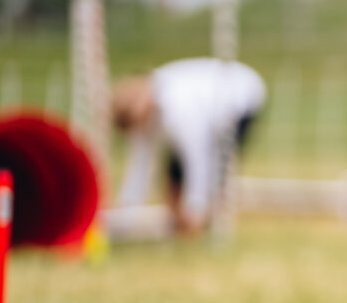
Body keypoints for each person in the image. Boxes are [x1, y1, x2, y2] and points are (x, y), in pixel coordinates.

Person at [111, 58, 267, 234]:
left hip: (240, 99)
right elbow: (140, 167)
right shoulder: (146, 114)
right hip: (204, 114)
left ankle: (206, 222)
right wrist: (122, 220)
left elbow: (198, 158)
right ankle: (181, 223)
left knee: (217, 167)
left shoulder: (178, 110)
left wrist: (194, 206)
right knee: (175, 176)